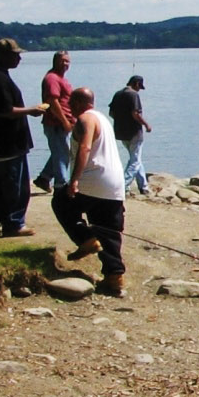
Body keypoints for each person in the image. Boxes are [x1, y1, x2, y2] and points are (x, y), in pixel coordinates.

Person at [53, 87, 127, 296]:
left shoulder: (85, 119)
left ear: (76, 103)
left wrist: (74, 180)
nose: (68, 107)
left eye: (70, 103)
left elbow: (85, 148)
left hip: (92, 180)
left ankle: (85, 239)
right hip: (114, 184)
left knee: (61, 202)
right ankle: (114, 278)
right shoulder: (102, 118)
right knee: (109, 230)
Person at [0, 37, 46, 236]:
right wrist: (31, 110)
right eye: (15, 55)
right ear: (3, 55)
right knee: (16, 187)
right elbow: (5, 111)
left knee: (2, 188)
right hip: (6, 146)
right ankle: (14, 224)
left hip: (5, 145)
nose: (19, 59)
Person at [35, 51, 75, 193]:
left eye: (67, 61)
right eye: (62, 61)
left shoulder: (60, 78)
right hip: (56, 124)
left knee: (61, 152)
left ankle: (44, 178)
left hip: (62, 123)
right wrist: (64, 121)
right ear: (55, 61)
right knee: (62, 154)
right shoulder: (52, 78)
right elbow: (53, 101)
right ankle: (61, 185)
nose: (65, 64)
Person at [108, 75, 151, 195]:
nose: (139, 90)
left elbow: (111, 113)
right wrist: (146, 125)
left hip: (121, 132)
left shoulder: (117, 94)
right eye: (139, 87)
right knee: (135, 161)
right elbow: (135, 114)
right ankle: (122, 184)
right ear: (136, 83)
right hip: (134, 132)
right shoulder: (133, 95)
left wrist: (121, 121)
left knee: (135, 157)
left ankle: (143, 187)